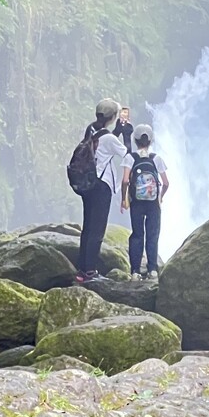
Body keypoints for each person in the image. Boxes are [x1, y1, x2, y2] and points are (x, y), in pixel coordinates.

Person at [70, 97, 127, 282]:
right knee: (98, 230)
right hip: (102, 186)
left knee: (88, 227)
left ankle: (82, 270)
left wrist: (116, 130)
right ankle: (90, 272)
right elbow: (127, 154)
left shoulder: (91, 129)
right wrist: (125, 132)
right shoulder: (109, 138)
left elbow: (103, 143)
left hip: (88, 183)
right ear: (112, 117)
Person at [120, 123, 168, 281]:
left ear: (135, 140)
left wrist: (124, 198)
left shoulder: (130, 158)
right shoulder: (156, 158)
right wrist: (160, 196)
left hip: (137, 202)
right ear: (151, 141)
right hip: (153, 203)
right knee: (152, 235)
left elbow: (126, 180)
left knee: (137, 235)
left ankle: (135, 272)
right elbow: (166, 183)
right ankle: (152, 270)